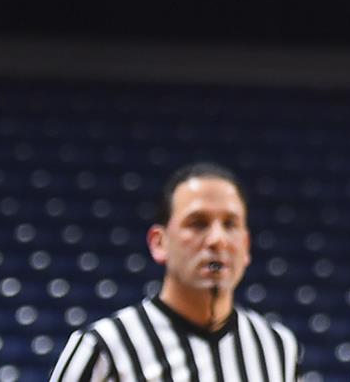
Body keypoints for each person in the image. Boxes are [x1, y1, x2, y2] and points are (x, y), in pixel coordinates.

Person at [47, 163, 302, 382]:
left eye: (230, 224)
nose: (217, 240)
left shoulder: (278, 346)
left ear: (246, 247)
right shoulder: (104, 346)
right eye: (198, 223)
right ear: (159, 243)